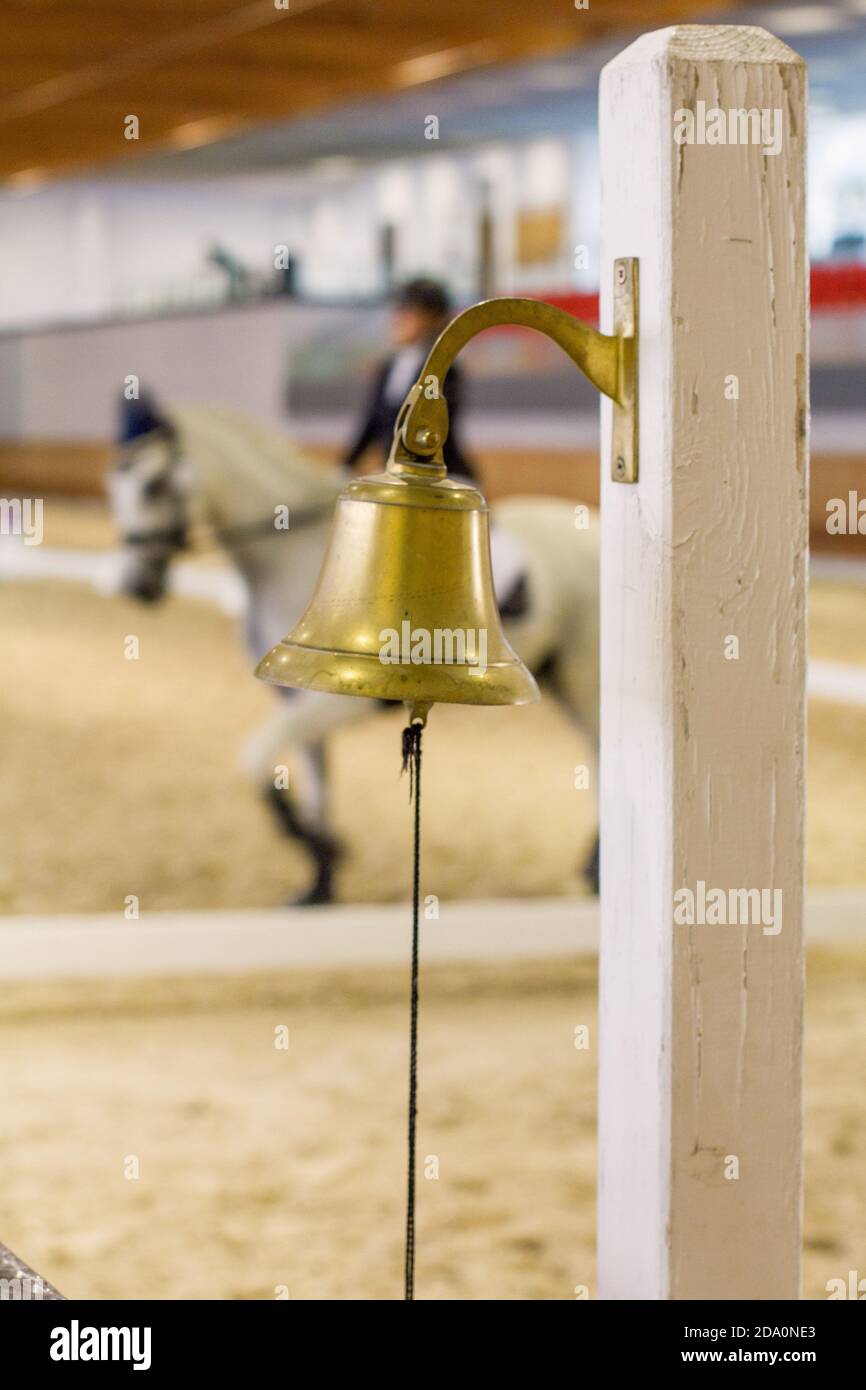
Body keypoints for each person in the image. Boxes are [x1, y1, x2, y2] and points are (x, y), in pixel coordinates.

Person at [342, 277, 478, 482]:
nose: (398, 319)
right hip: (395, 468)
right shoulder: (388, 366)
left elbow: (433, 427)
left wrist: (400, 467)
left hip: (439, 471)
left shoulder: (444, 369)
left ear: (433, 319)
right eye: (398, 310)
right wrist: (345, 466)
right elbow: (371, 422)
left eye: (408, 312)